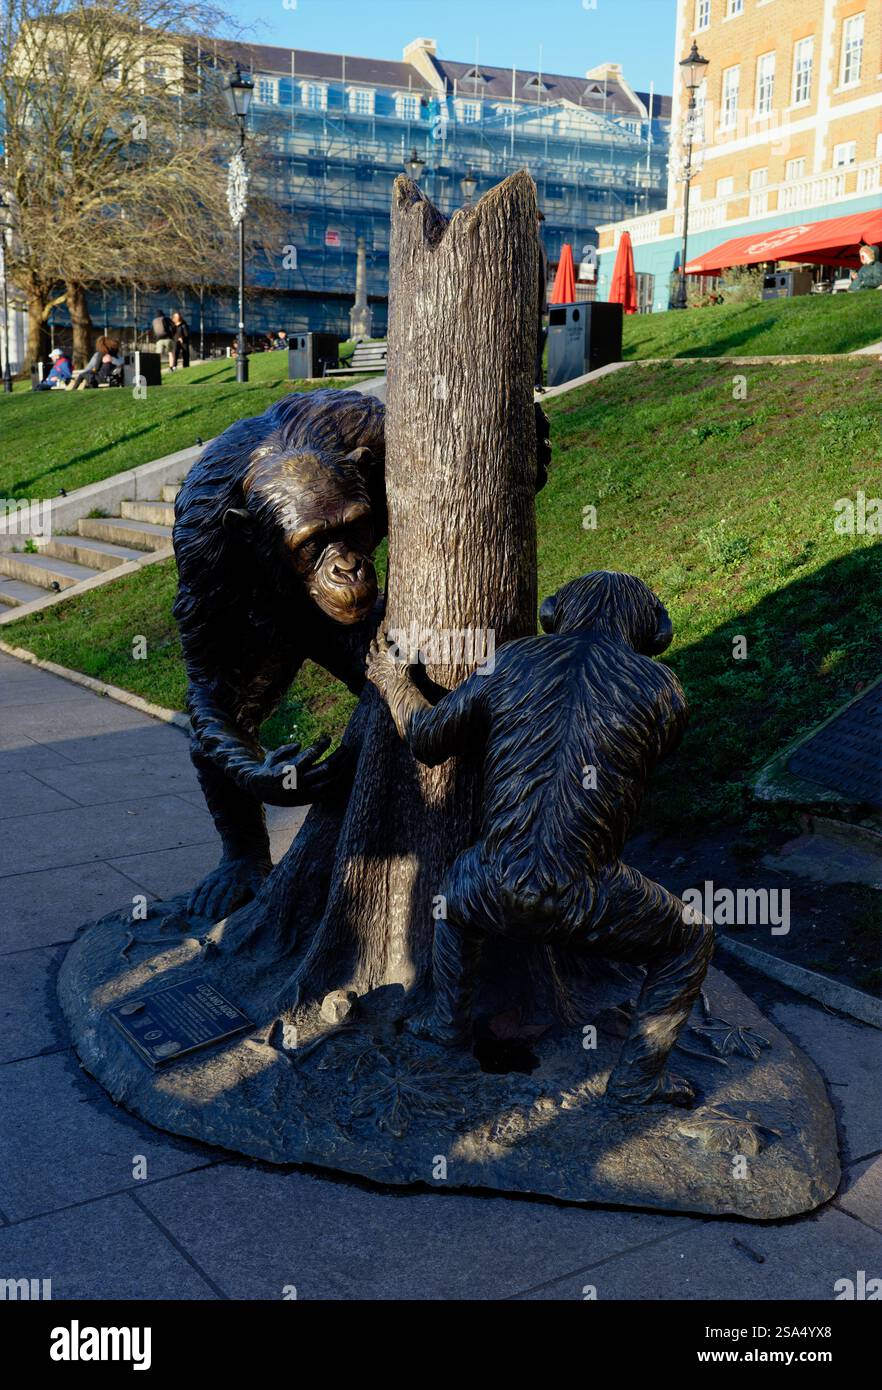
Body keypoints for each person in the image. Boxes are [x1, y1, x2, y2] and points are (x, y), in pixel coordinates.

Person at [535, 210, 548, 390]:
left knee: (537, 344)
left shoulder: (541, 244)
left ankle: (536, 380)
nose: (538, 224)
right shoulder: (524, 242)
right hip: (526, 304)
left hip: (537, 304)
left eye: (539, 222)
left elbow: (543, 277)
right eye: (535, 220)